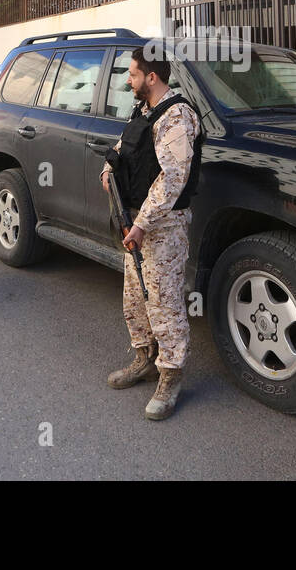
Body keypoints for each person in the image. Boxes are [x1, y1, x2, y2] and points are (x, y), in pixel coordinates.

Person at [99, 46, 202, 421]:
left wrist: (142, 224)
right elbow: (126, 146)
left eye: (132, 73)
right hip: (136, 221)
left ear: (151, 77)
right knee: (134, 297)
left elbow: (173, 178)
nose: (129, 79)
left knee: (163, 301)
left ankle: (171, 376)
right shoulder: (145, 110)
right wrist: (109, 166)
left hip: (163, 225)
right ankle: (144, 359)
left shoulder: (176, 116)